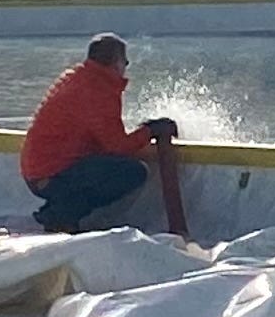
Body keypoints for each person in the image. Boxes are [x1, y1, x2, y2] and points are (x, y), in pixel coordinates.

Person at [19, 34, 176, 235]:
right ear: (115, 62)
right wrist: (151, 130)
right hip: (51, 174)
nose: (126, 66)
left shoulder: (79, 79)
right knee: (133, 172)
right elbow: (118, 147)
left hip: (36, 171)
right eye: (125, 61)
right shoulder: (98, 90)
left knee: (108, 168)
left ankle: (58, 213)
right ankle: (60, 216)